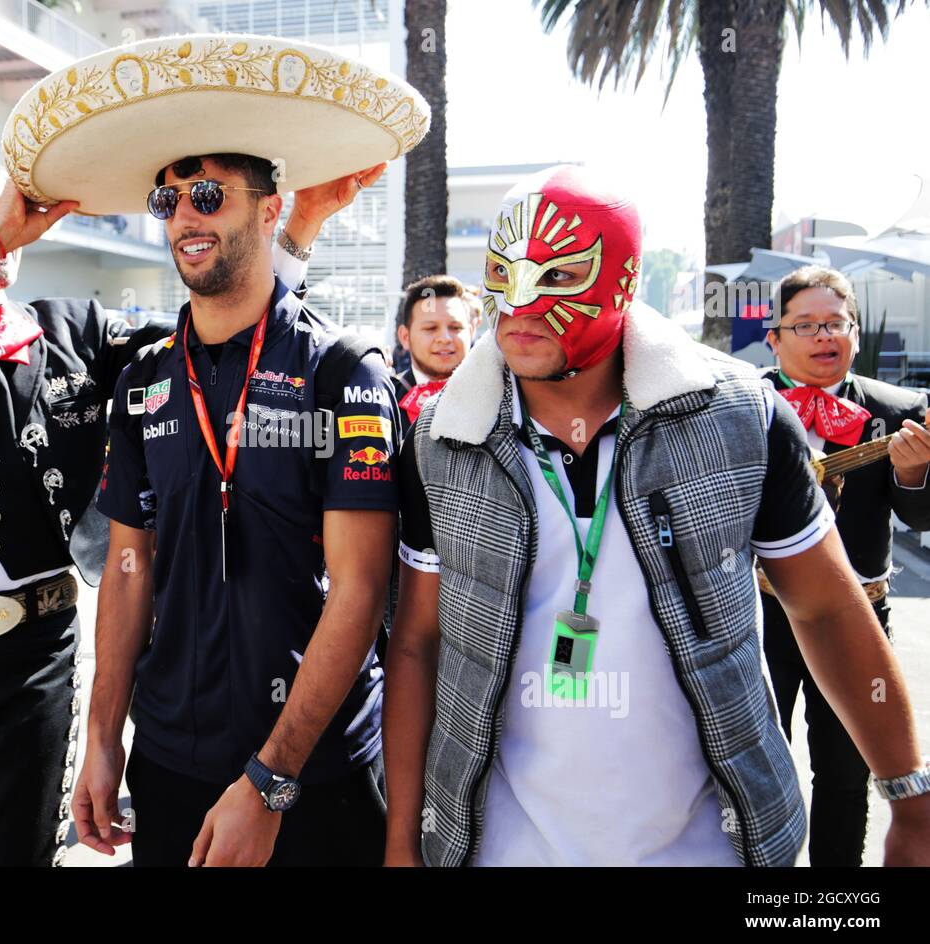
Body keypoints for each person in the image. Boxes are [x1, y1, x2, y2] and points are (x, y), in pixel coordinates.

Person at [0, 141, 348, 866]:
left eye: (8, 206)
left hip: (33, 653)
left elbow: (216, 332)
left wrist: (295, 235)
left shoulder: (73, 331)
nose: (2, 222)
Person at [383, 164, 930, 867]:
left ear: (622, 280)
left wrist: (910, 795)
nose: (519, 303)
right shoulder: (441, 439)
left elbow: (825, 607)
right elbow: (417, 644)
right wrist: (403, 841)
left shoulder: (739, 417)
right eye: (504, 270)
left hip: (709, 847)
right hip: (501, 846)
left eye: (558, 277)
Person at [73, 152, 398, 868]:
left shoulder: (345, 371)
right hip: (169, 762)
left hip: (315, 774)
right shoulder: (143, 379)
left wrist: (271, 781)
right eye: (168, 201)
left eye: (210, 195)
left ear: (271, 208)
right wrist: (101, 740)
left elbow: (361, 589)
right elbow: (127, 569)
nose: (186, 214)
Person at [759, 264, 930, 866]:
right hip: (755, 614)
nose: (823, 337)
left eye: (836, 324)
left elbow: (922, 516)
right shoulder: (739, 408)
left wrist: (912, 473)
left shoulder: (900, 409)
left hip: (860, 613)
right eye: (804, 325)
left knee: (845, 770)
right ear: (774, 338)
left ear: (856, 333)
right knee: (746, 766)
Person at [392, 274, 474, 424]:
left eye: (455, 327)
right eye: (430, 328)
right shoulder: (385, 400)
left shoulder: (499, 396)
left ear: (471, 332)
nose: (445, 338)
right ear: (405, 337)